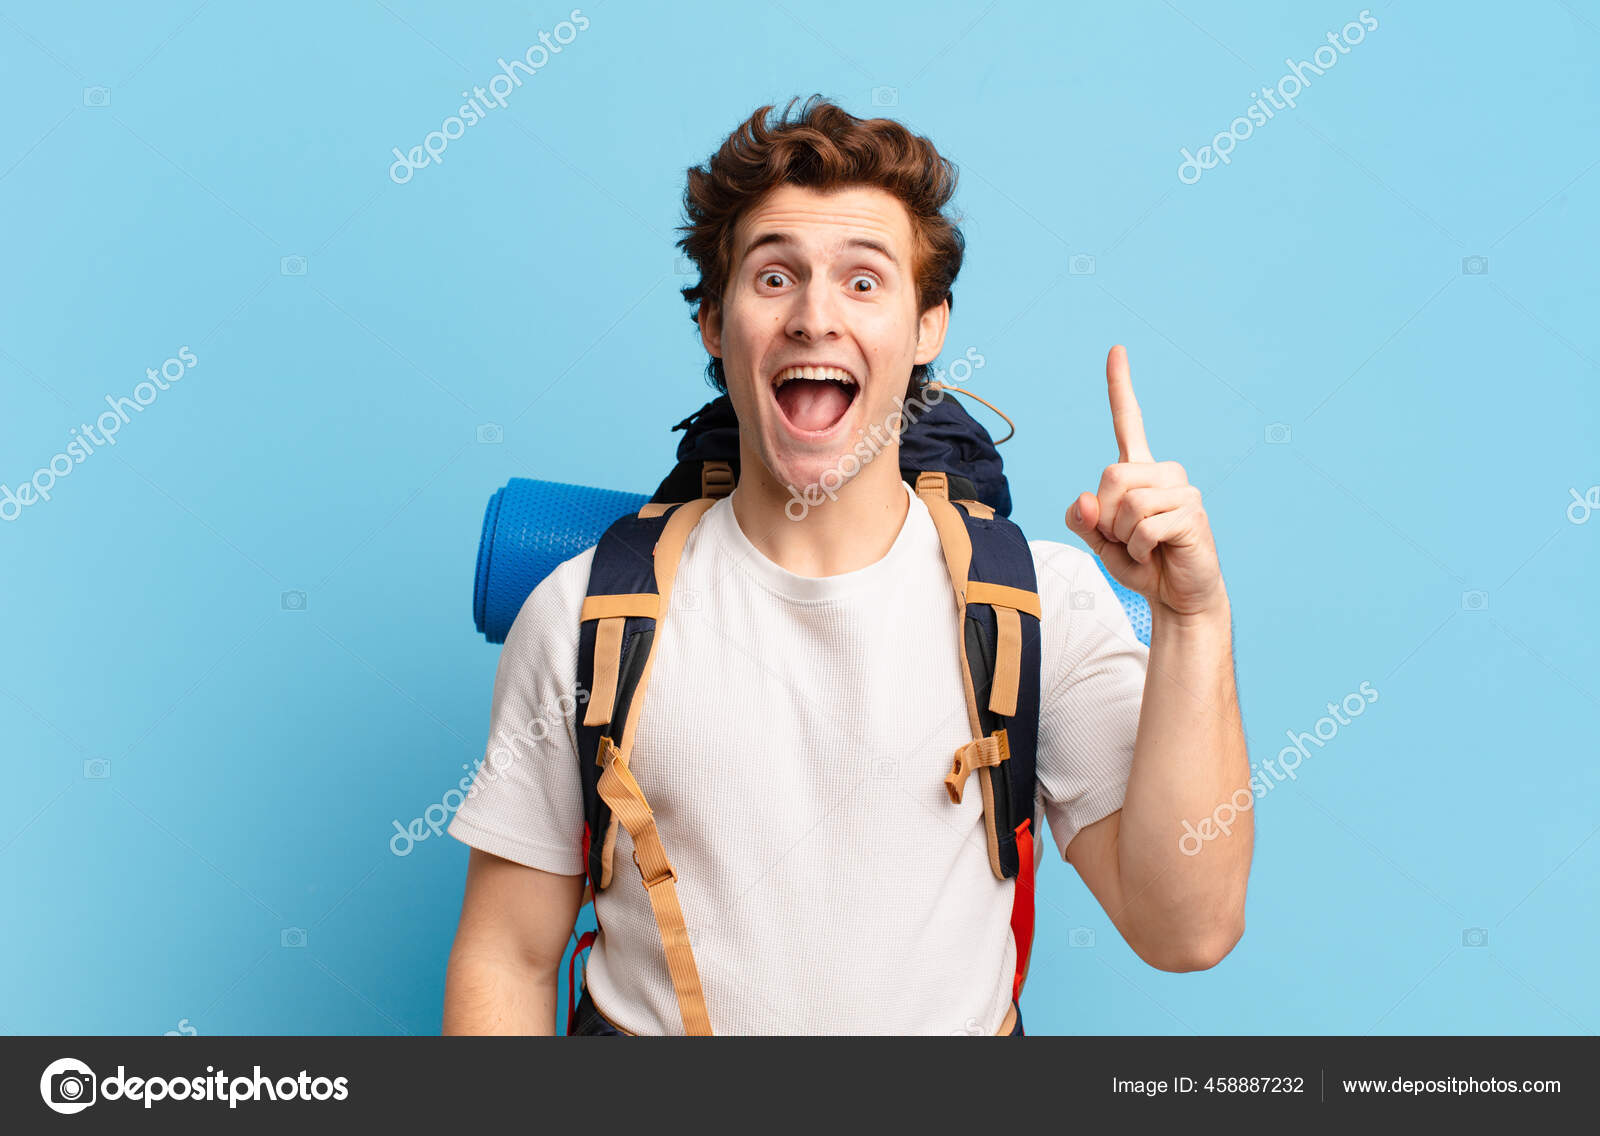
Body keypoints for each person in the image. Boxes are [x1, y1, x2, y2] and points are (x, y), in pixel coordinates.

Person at [441, 96, 1252, 1036]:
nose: (815, 317)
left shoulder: (1043, 603)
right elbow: (508, 955)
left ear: (928, 327)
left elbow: (1186, 928)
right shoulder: (585, 610)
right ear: (714, 322)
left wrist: (1194, 619)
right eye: (774, 276)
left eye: (865, 282)